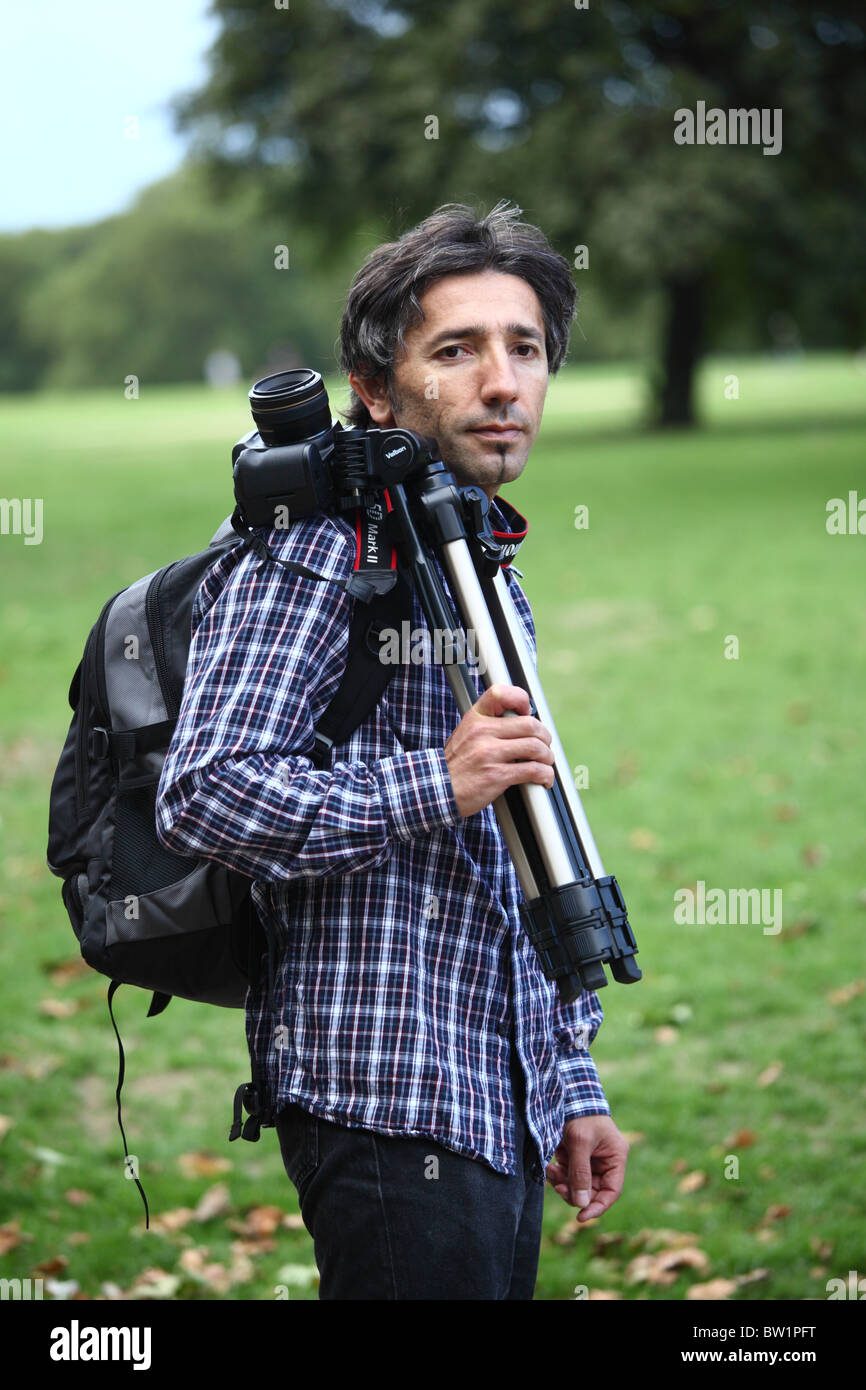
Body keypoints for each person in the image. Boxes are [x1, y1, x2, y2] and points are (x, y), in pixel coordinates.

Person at [155, 199, 629, 1300]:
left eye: (523, 348)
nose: (501, 383)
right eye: (455, 350)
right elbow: (207, 794)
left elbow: (517, 848)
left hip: (493, 1091)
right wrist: (438, 781)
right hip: (382, 1092)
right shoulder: (313, 553)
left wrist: (567, 1086)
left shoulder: (474, 557)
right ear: (375, 388)